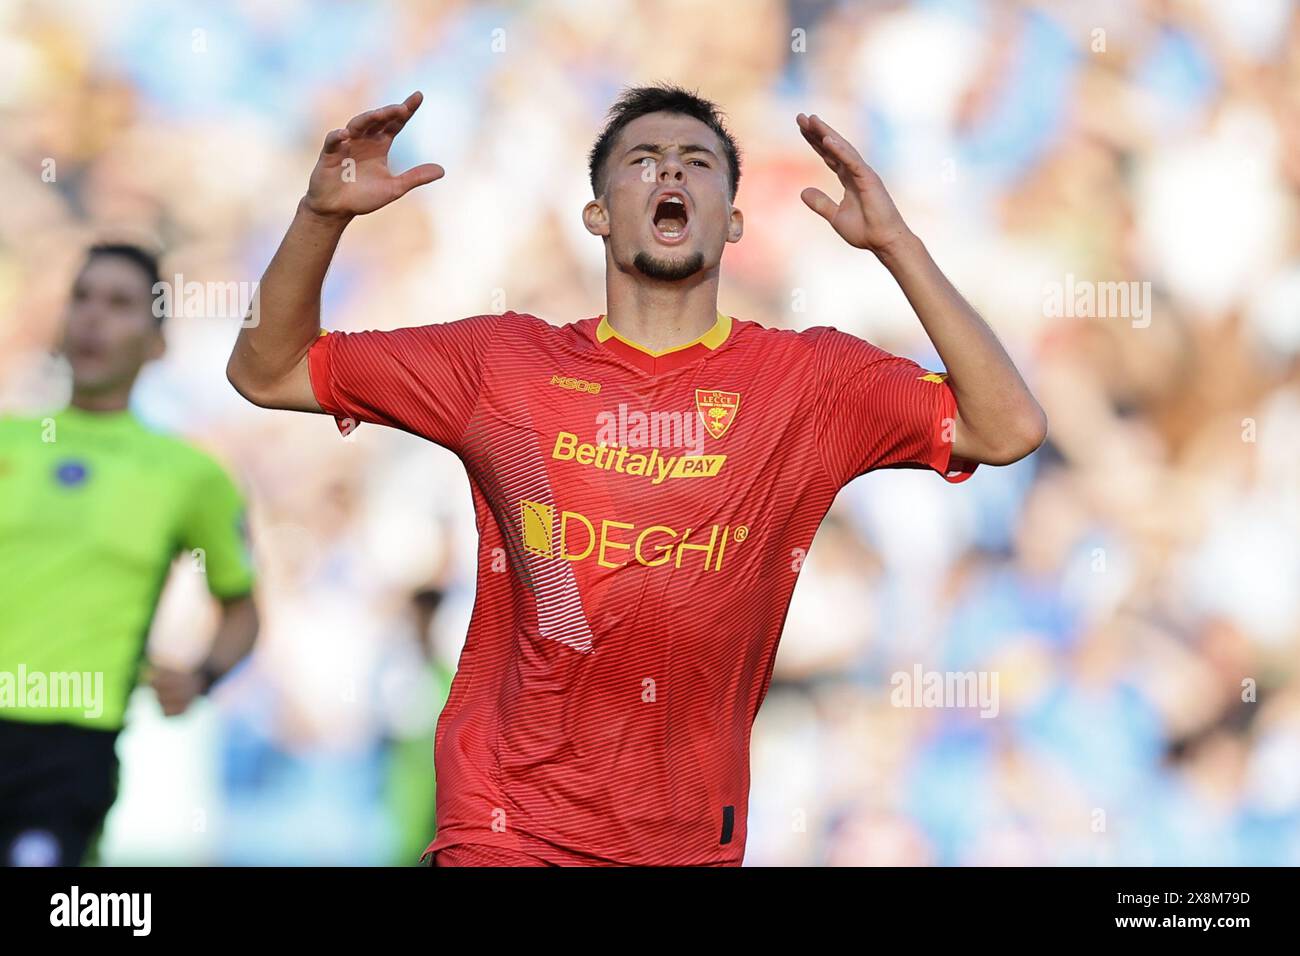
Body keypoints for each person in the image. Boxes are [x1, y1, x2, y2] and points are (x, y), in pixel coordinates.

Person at [226, 85, 1046, 866]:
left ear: (732, 221)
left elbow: (1007, 426)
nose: (670, 172)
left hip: (685, 837)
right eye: (643, 159)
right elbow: (269, 371)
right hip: (504, 826)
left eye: (698, 161)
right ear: (596, 213)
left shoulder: (812, 381)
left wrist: (897, 247)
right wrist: (318, 219)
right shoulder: (502, 363)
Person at [0, 243, 259, 867]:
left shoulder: (188, 473)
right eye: (82, 298)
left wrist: (199, 676)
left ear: (157, 343)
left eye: (119, 304)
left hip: (70, 747)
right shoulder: (9, 439)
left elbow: (242, 607)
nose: (93, 318)